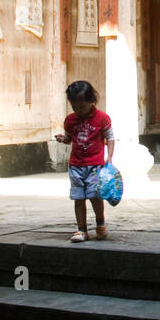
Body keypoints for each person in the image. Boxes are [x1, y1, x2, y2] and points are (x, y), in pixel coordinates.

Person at [54, 80, 115, 243]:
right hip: (75, 167)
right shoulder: (70, 120)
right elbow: (70, 139)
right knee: (78, 198)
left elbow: (110, 138)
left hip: (95, 166)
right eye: (74, 107)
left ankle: (100, 224)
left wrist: (109, 157)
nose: (78, 110)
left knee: (95, 196)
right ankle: (81, 230)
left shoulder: (102, 119)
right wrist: (64, 139)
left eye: (81, 106)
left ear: (91, 101)